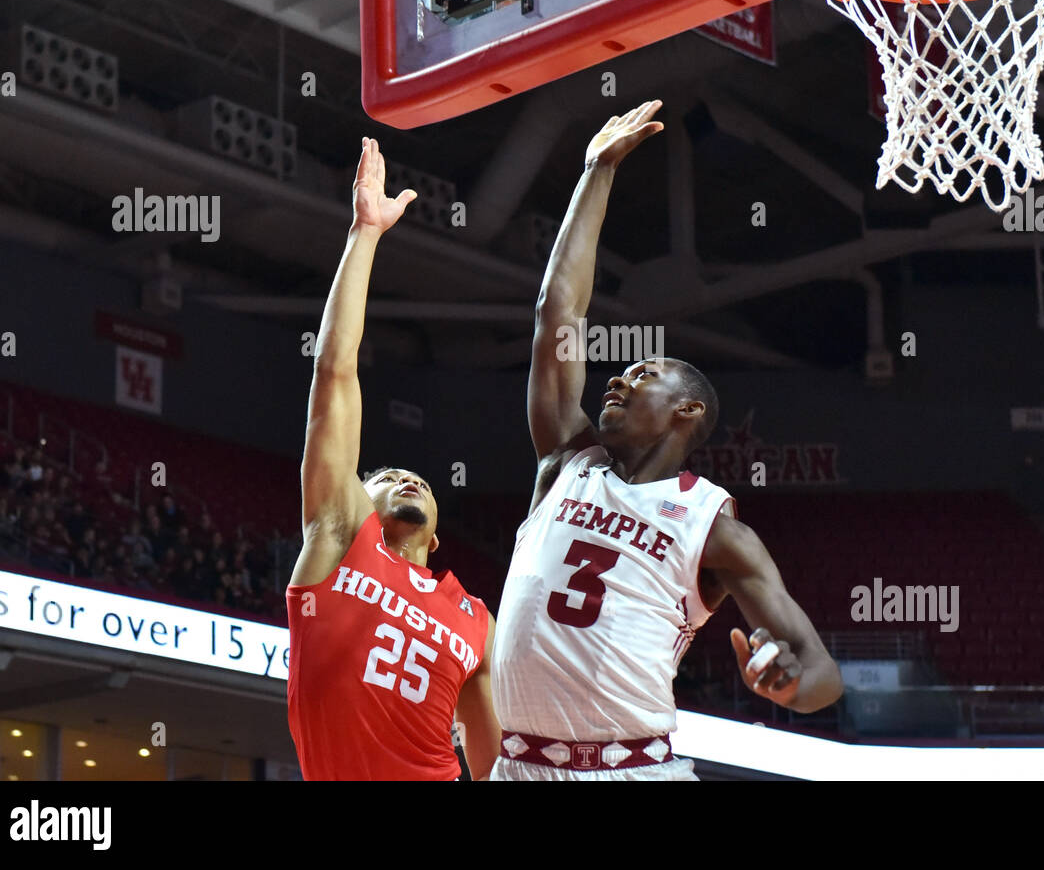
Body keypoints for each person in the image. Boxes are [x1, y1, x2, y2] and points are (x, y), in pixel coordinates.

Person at [490, 101, 844, 781]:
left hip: (630, 768)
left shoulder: (715, 528)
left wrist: (792, 684)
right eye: (621, 371)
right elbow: (556, 311)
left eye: (643, 373)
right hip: (518, 766)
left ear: (687, 411)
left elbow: (823, 673)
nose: (618, 379)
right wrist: (595, 171)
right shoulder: (568, 458)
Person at [286, 137, 501, 781]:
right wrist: (365, 236)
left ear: (436, 536)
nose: (407, 479)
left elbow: (490, 759)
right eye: (383, 478)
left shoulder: (474, 617)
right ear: (358, 501)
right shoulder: (338, 534)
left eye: (422, 484)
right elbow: (335, 373)